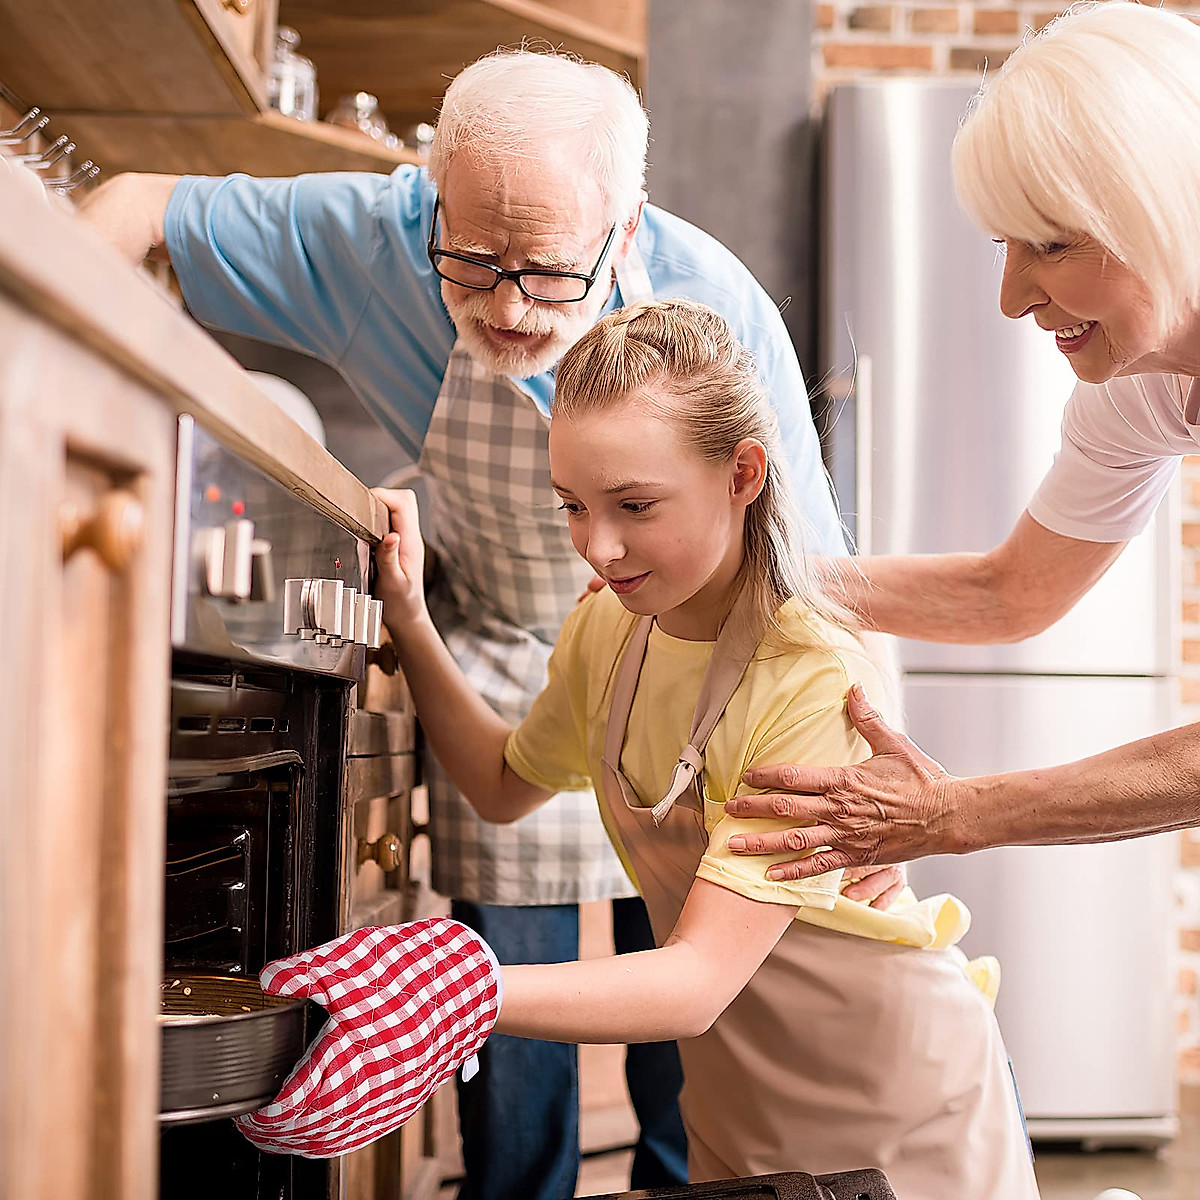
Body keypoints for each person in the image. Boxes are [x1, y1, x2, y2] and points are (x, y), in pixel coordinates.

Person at [75, 48, 902, 1198]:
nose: (509, 307)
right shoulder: (373, 236)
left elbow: (813, 583)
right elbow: (134, 207)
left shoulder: (715, 316)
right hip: (528, 660)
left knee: (688, 1068)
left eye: (550, 274)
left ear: (626, 229)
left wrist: (861, 785)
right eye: (471, 260)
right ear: (430, 196)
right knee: (514, 1091)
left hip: (704, 688)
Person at [369, 298, 1038, 1196]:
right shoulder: (607, 631)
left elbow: (696, 982)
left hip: (900, 1120)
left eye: (635, 505)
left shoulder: (810, 679)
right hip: (735, 1110)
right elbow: (499, 783)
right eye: (573, 505)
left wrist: (458, 991)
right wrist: (410, 618)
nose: (598, 547)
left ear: (743, 474)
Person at [715, 0, 1200, 884]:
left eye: (1051, 245)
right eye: (1004, 246)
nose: (1013, 298)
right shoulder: (1139, 386)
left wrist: (954, 813)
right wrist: (758, 578)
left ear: (1167, 214)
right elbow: (1009, 592)